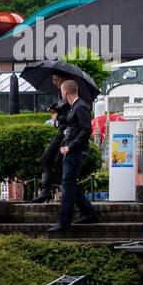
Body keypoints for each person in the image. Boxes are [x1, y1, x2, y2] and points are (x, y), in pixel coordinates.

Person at [48, 80, 99, 233]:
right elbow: (73, 126)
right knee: (69, 183)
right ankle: (89, 214)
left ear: (65, 92)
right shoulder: (74, 108)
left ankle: (64, 221)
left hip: (75, 151)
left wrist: (70, 146)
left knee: (67, 183)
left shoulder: (81, 107)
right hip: (71, 150)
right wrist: (57, 117)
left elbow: (86, 129)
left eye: (62, 93)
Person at [31, 74, 69, 202]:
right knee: (46, 158)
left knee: (58, 162)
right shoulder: (60, 94)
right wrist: (55, 109)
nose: (54, 82)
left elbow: (71, 116)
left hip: (67, 134)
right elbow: (62, 109)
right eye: (53, 80)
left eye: (57, 79)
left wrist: (57, 116)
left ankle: (62, 190)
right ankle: (45, 191)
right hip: (61, 132)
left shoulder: (70, 93)